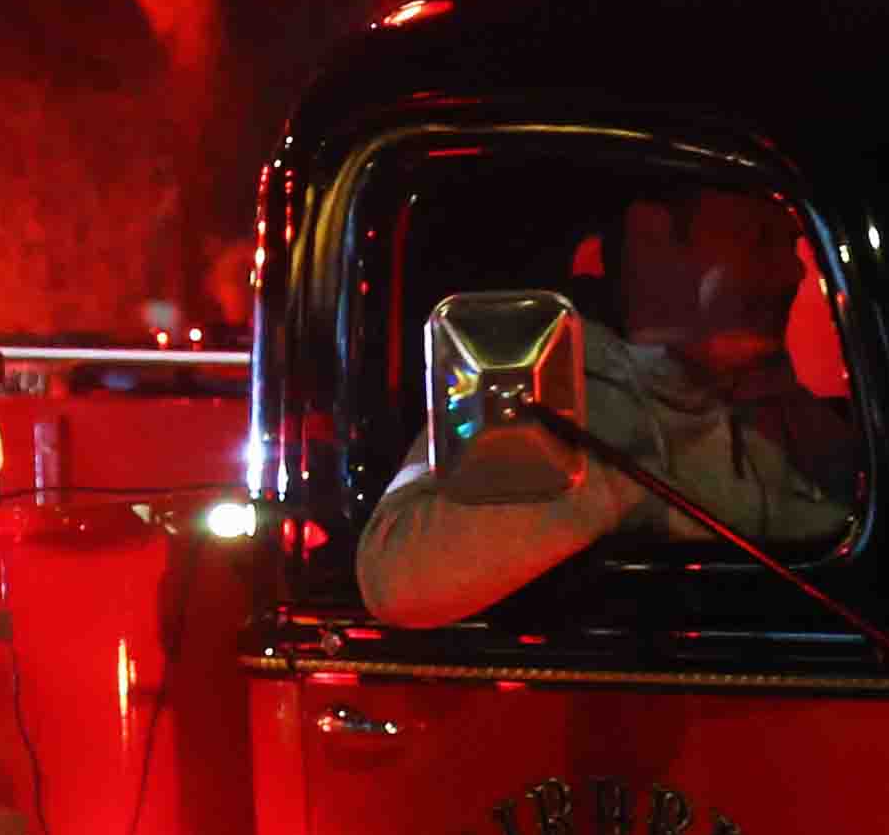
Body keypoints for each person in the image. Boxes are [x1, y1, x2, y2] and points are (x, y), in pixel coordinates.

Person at [359, 186, 859, 626]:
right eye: (760, 240)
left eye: (789, 245)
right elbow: (392, 577)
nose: (794, 270)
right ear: (652, 239)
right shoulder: (554, 391)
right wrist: (607, 457)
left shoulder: (776, 402)